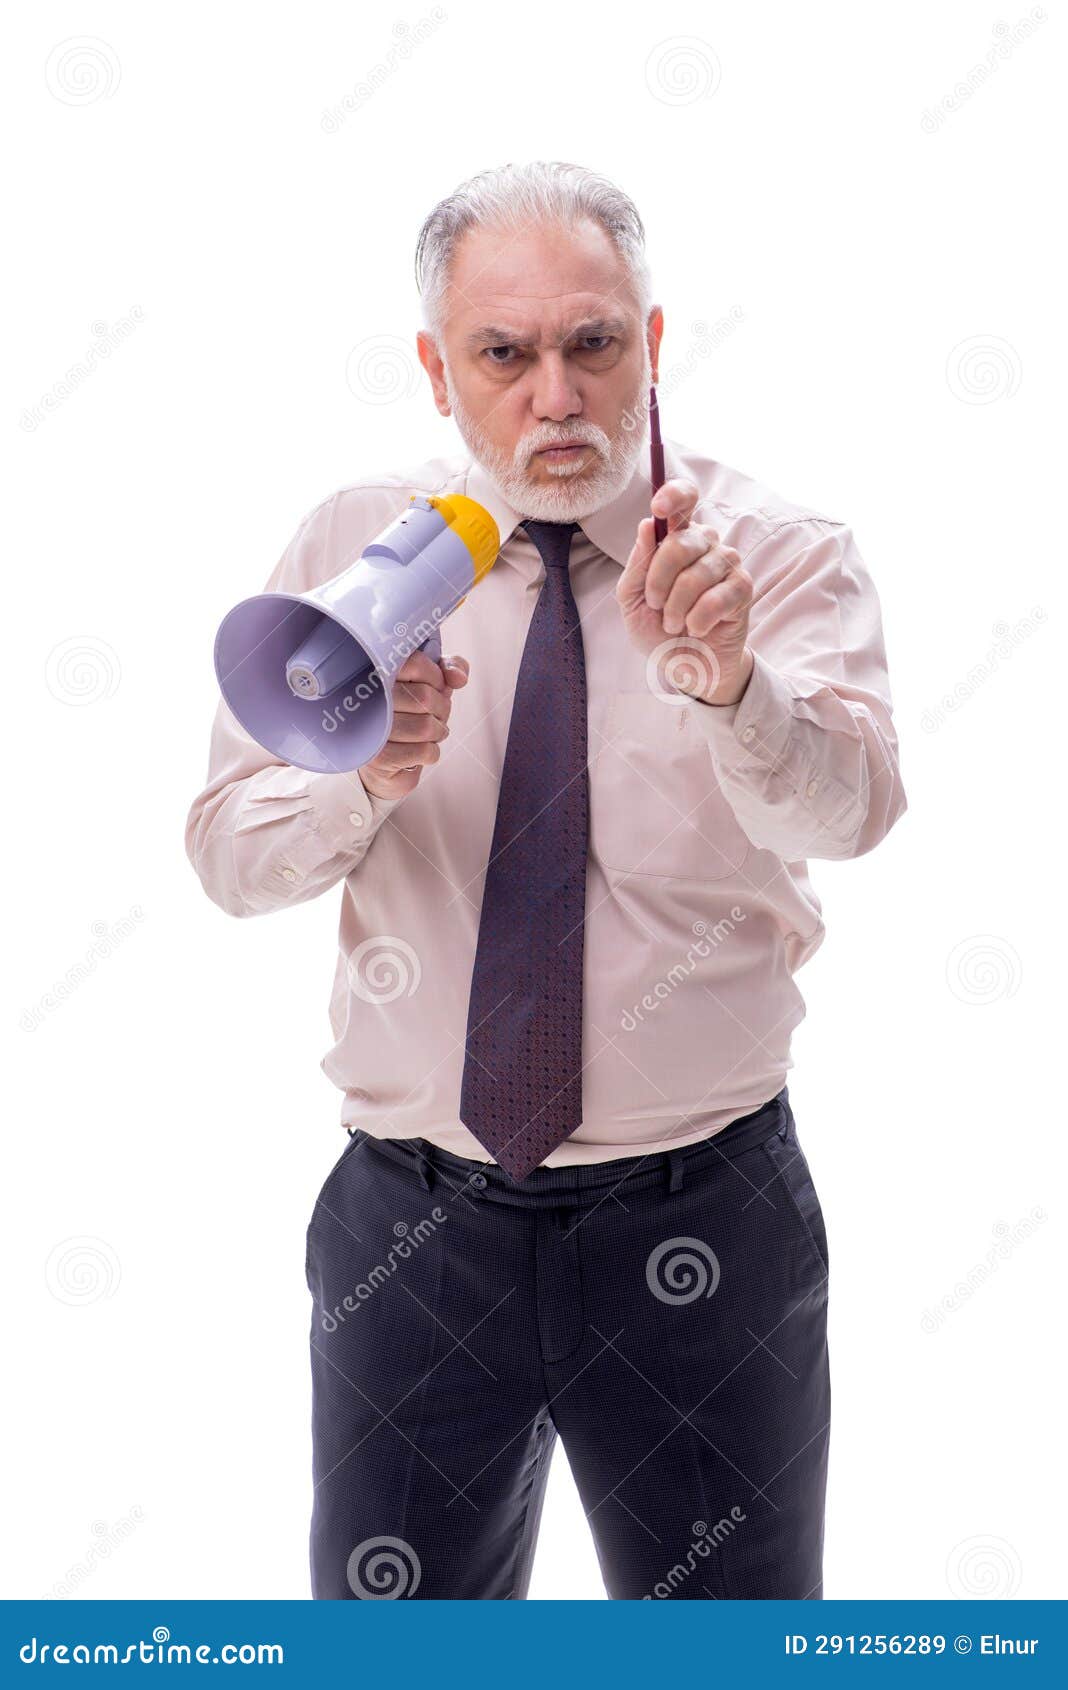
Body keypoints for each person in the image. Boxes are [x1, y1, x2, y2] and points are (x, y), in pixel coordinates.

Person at [184, 161, 907, 1600]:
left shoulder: (774, 555)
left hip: (704, 1222)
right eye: (503, 355)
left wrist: (734, 689)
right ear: (436, 366)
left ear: (651, 341)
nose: (554, 399)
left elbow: (859, 809)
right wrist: (365, 778)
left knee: (732, 1641)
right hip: (417, 1237)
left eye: (592, 346)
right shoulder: (353, 548)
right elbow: (226, 854)